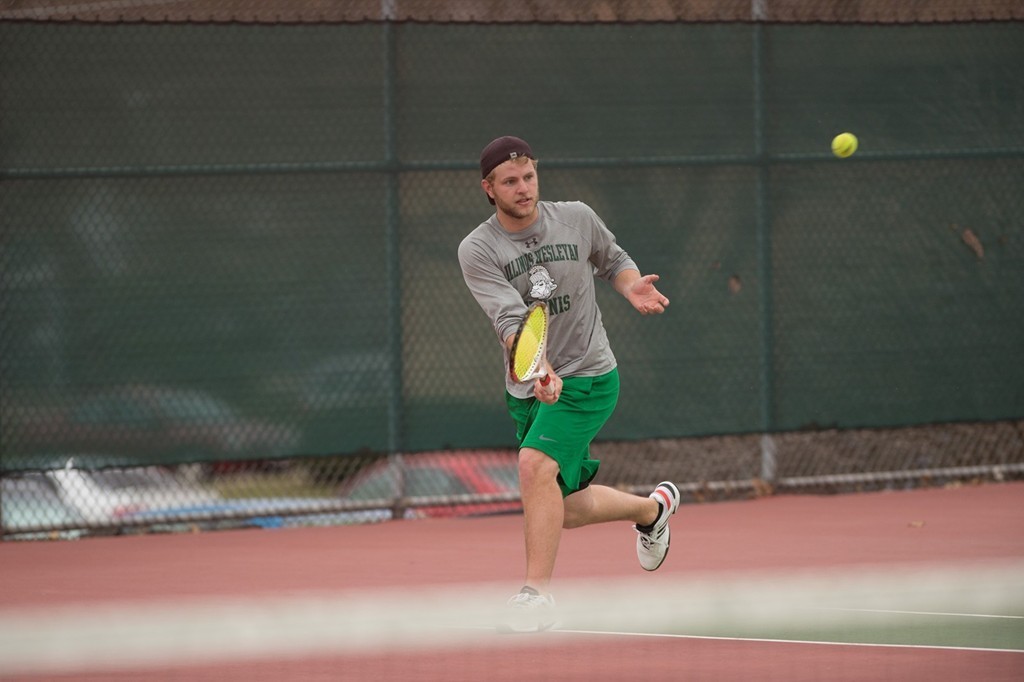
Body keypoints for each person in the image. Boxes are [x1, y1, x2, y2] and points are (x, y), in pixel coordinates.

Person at [458, 136, 679, 632]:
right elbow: (510, 318)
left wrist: (631, 285)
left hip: (591, 375)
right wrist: (538, 370)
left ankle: (536, 595)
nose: (523, 187)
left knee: (533, 467)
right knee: (563, 509)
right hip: (529, 387)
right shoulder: (478, 249)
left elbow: (612, 258)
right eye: (510, 181)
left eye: (529, 176)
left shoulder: (576, 217)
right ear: (489, 189)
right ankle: (652, 510)